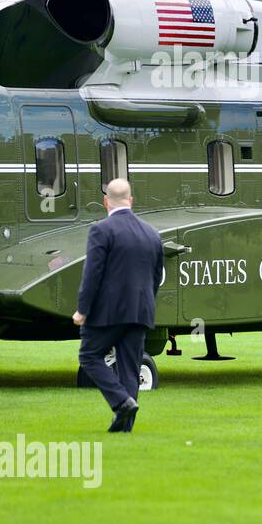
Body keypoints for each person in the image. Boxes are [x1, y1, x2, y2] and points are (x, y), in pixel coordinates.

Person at [73, 178, 164, 433]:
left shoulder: (101, 230)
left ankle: (121, 402)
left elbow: (92, 275)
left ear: (105, 201)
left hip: (108, 313)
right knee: (130, 369)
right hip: (141, 311)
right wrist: (145, 303)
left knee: (89, 356)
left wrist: (82, 310)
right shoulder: (152, 233)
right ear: (131, 200)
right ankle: (126, 426)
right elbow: (155, 277)